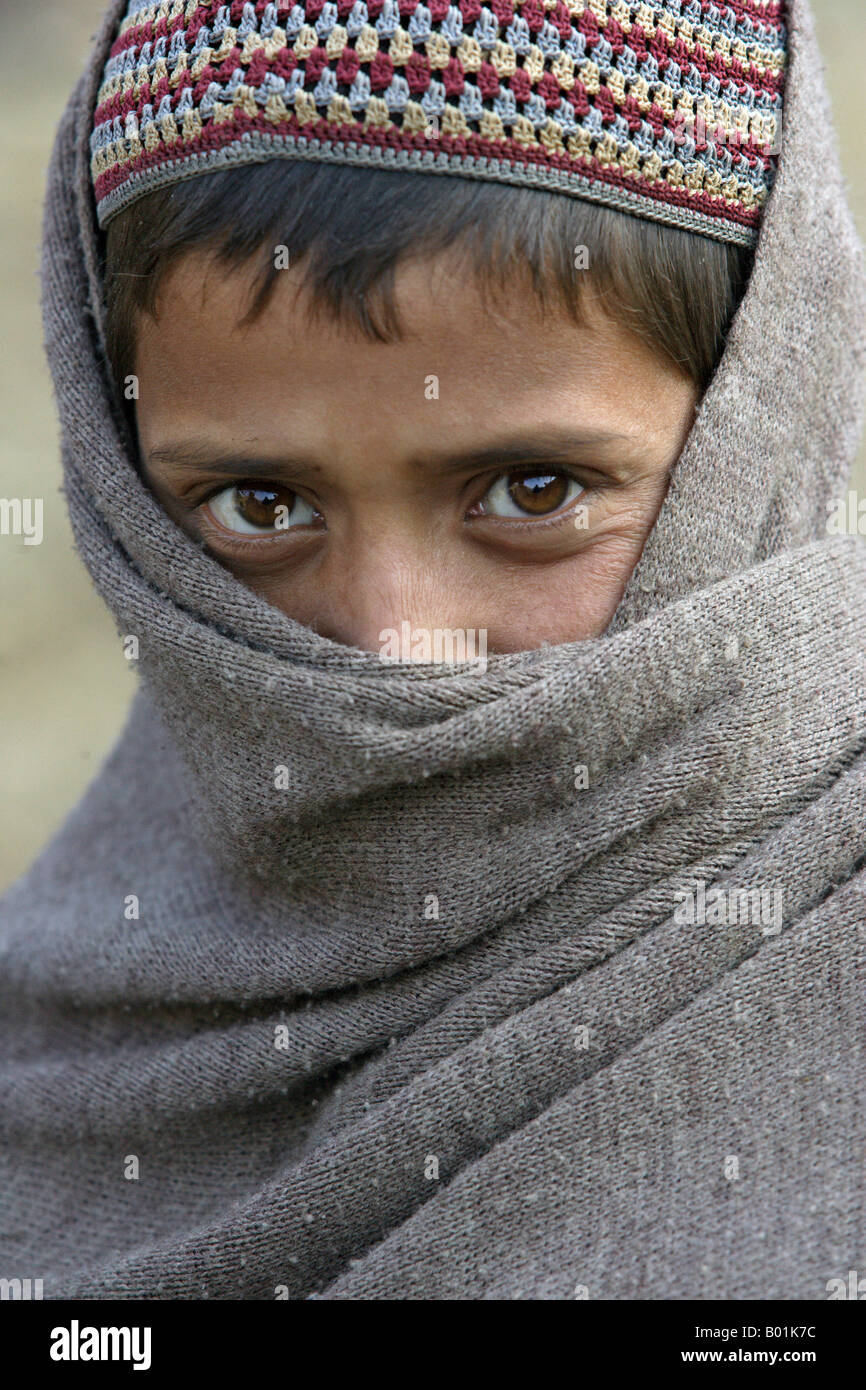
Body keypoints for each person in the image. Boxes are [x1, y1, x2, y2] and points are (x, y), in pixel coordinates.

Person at [1, 0, 865, 1300]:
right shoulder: (62, 1032)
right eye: (261, 508)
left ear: (767, 425)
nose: (398, 645)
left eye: (529, 490)